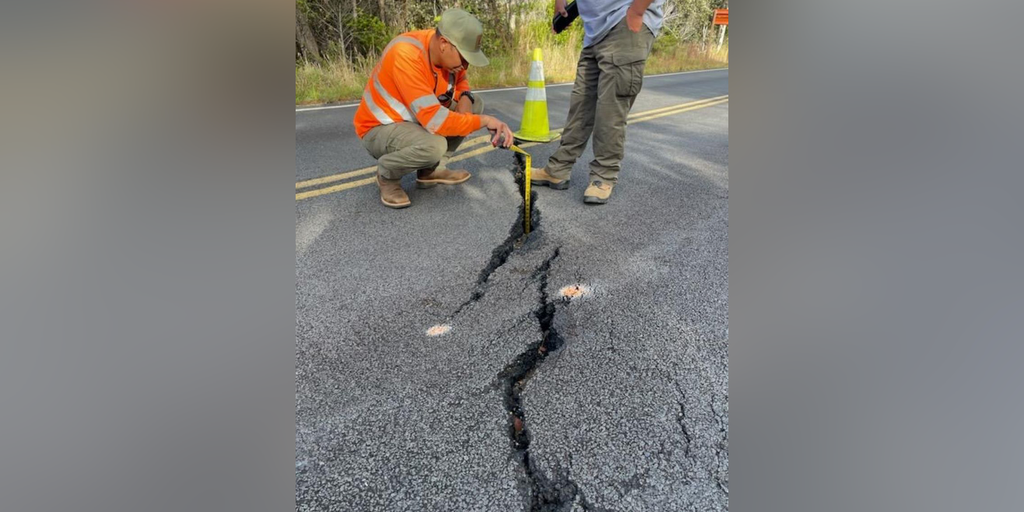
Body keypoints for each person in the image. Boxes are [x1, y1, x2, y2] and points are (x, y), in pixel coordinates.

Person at [353, 8, 515, 209]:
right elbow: (436, 121)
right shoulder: (405, 54)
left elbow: (460, 83)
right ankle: (387, 175)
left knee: (476, 104)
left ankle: (431, 170)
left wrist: (465, 97)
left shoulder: (446, 56)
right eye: (464, 58)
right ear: (445, 44)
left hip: (415, 121)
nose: (465, 66)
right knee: (435, 145)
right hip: (380, 127)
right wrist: (484, 121)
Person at [531, 0, 665, 204]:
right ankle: (558, 169)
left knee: (610, 111)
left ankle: (603, 176)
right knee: (580, 106)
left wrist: (637, 11)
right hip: (594, 30)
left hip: (623, 21)